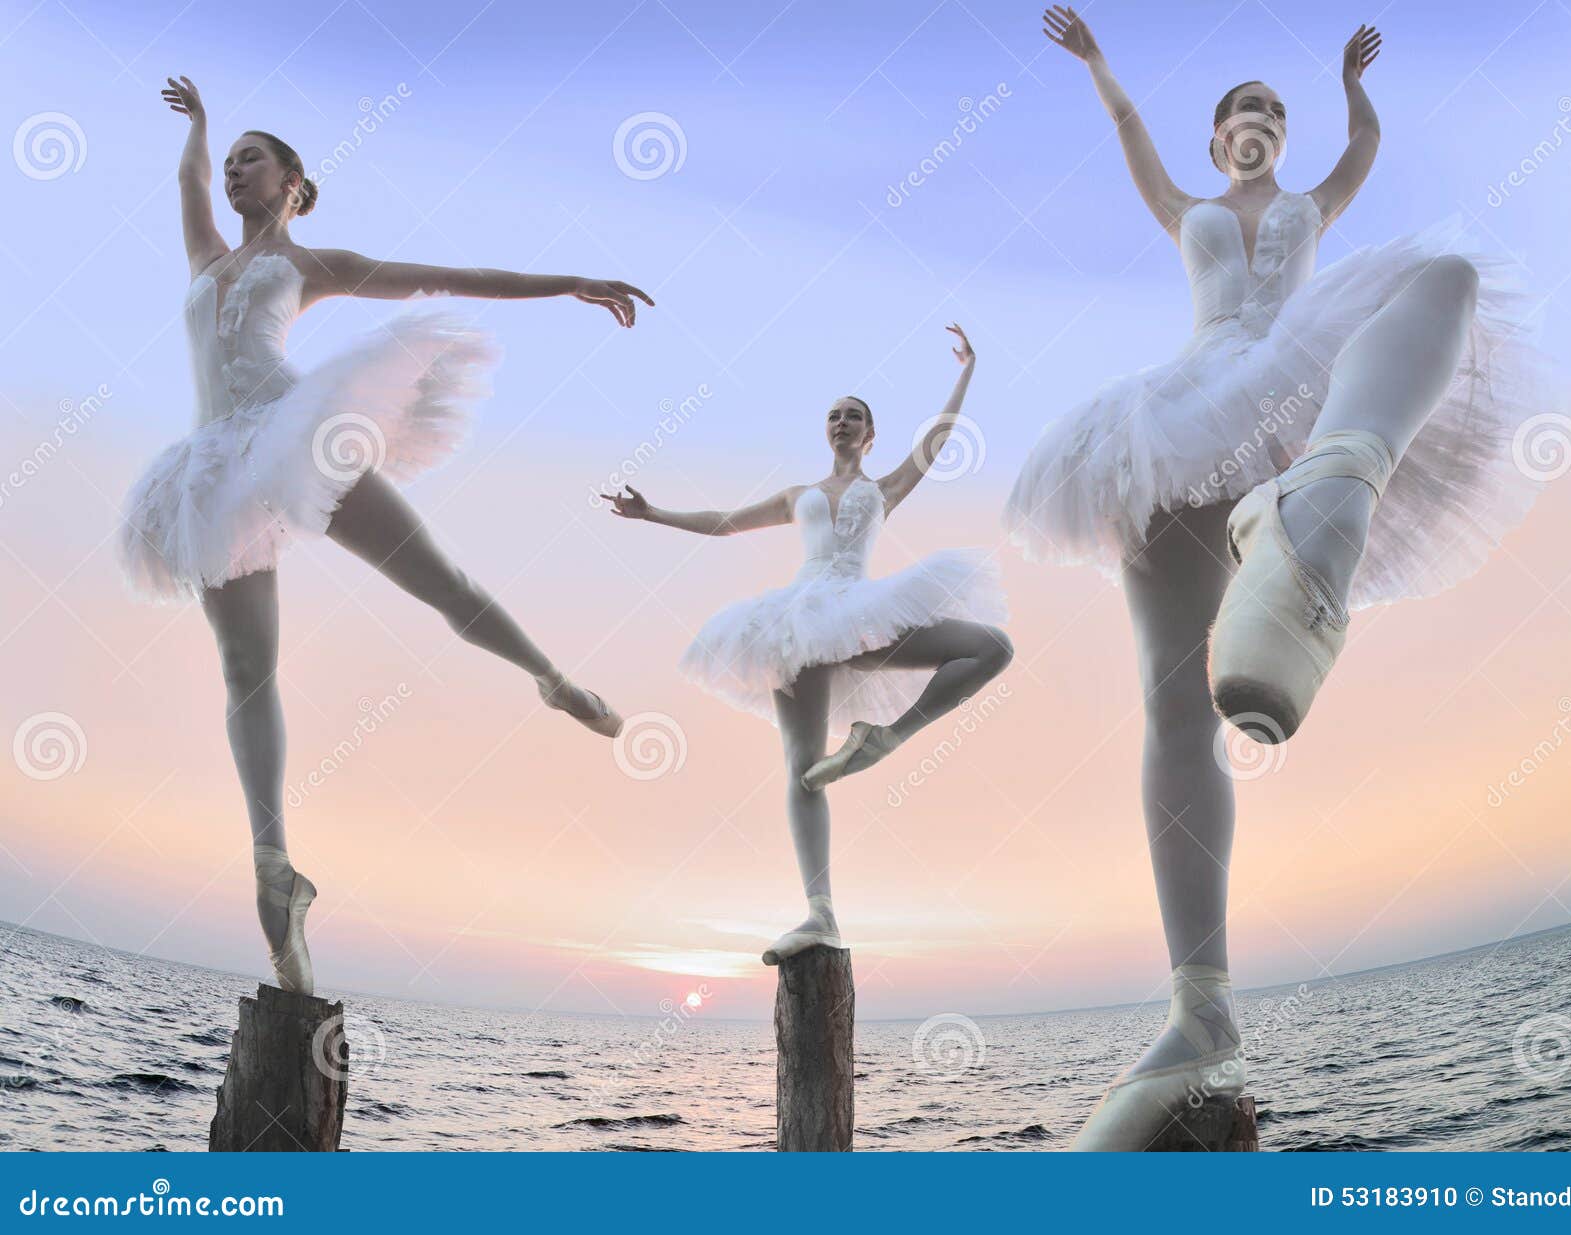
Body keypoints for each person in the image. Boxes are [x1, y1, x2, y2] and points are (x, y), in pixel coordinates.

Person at [1003, 11, 1549, 1149]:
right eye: (1238, 118)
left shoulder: (1310, 210)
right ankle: (1199, 1010)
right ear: (1215, 146)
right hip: (1180, 415)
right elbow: (1124, 130)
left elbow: (1362, 155)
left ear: (1279, 139)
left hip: (1293, 393)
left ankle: (1324, 498)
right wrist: (1099, 62)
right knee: (1172, 700)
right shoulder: (1188, 210)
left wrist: (1351, 89)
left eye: (1269, 116)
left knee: (1445, 276)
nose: (1254, 128)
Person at [119, 76, 655, 996]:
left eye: (255, 158)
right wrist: (203, 126)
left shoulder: (313, 264)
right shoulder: (206, 259)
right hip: (211, 471)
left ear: (292, 183)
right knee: (247, 670)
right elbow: (187, 184)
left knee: (438, 580)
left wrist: (568, 281)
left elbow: (444, 276)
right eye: (233, 160)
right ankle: (275, 869)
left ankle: (554, 679)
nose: (235, 171)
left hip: (296, 433)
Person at [604, 326, 1012, 964]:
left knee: (991, 647)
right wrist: (652, 513)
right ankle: (820, 914)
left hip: (860, 612)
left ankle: (886, 738)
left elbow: (938, 441)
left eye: (854, 416)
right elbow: (723, 524)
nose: (842, 422)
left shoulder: (886, 488)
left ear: (870, 435)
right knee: (802, 766)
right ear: (826, 432)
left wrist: (967, 370)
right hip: (797, 621)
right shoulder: (797, 495)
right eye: (834, 415)